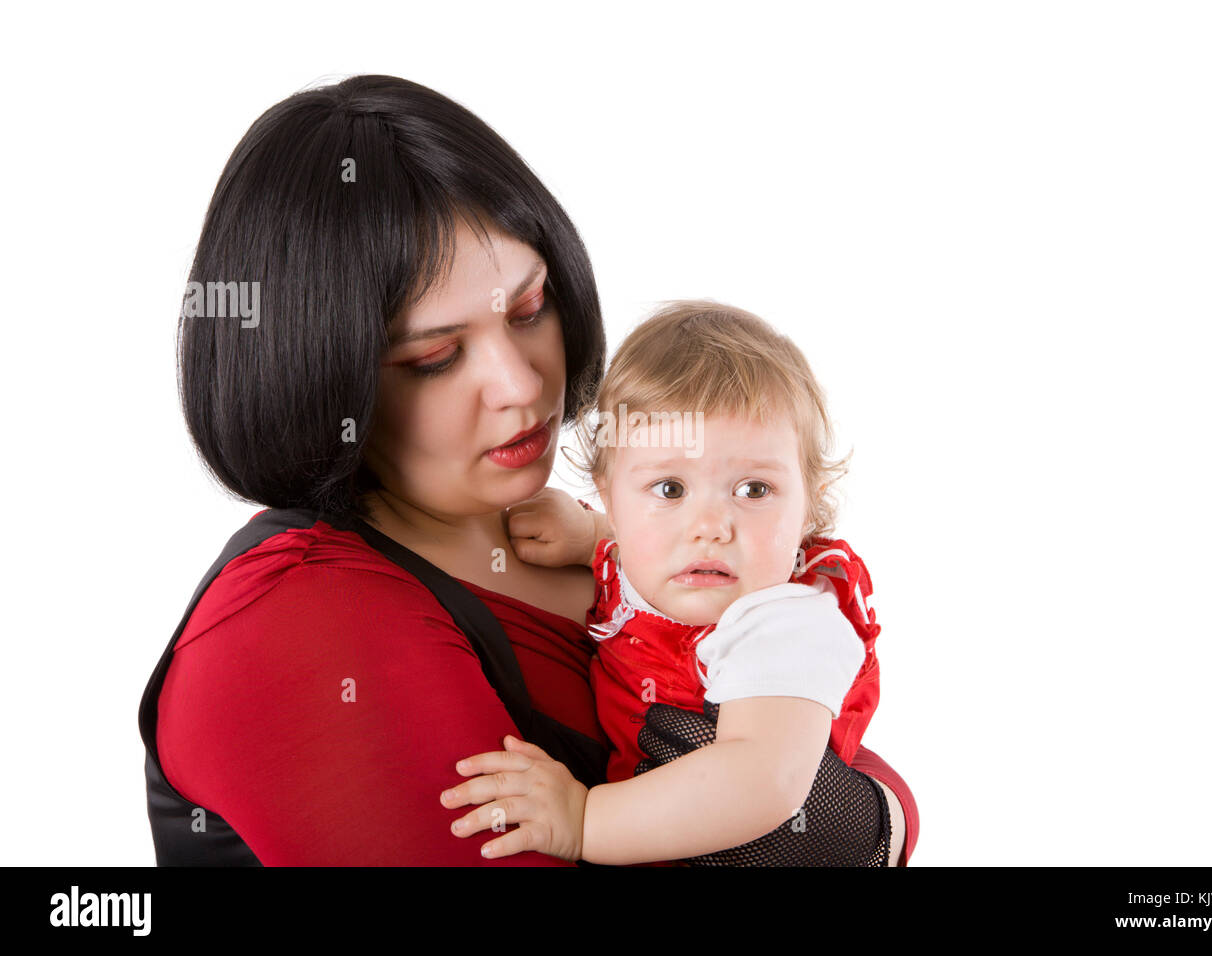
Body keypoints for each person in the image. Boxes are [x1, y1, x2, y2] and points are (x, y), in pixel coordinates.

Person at [141, 74, 918, 865]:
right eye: (435, 357)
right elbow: (820, 802)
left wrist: (869, 813)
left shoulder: (617, 549)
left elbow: (813, 770)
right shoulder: (294, 619)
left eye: (529, 309)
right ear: (322, 377)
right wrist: (871, 819)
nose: (521, 384)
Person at [441, 301, 895, 866]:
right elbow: (632, 543)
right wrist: (590, 536)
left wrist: (584, 821)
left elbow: (763, 780)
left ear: (810, 507)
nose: (709, 528)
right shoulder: (644, 561)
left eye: (754, 490)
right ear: (609, 492)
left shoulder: (786, 622)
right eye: (670, 490)